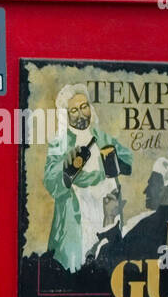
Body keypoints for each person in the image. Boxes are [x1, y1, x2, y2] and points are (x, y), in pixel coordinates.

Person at [42, 84, 133, 274]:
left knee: (108, 264)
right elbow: (51, 180)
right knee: (79, 266)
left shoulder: (102, 137)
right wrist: (68, 169)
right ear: (65, 115)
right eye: (74, 110)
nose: (81, 114)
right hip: (78, 214)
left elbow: (127, 160)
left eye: (84, 107)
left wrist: (114, 161)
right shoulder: (60, 143)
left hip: (107, 210)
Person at [92, 156, 168, 266]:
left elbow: (113, 260)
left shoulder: (151, 227)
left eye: (152, 184)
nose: (145, 191)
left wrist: (109, 217)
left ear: (167, 188)